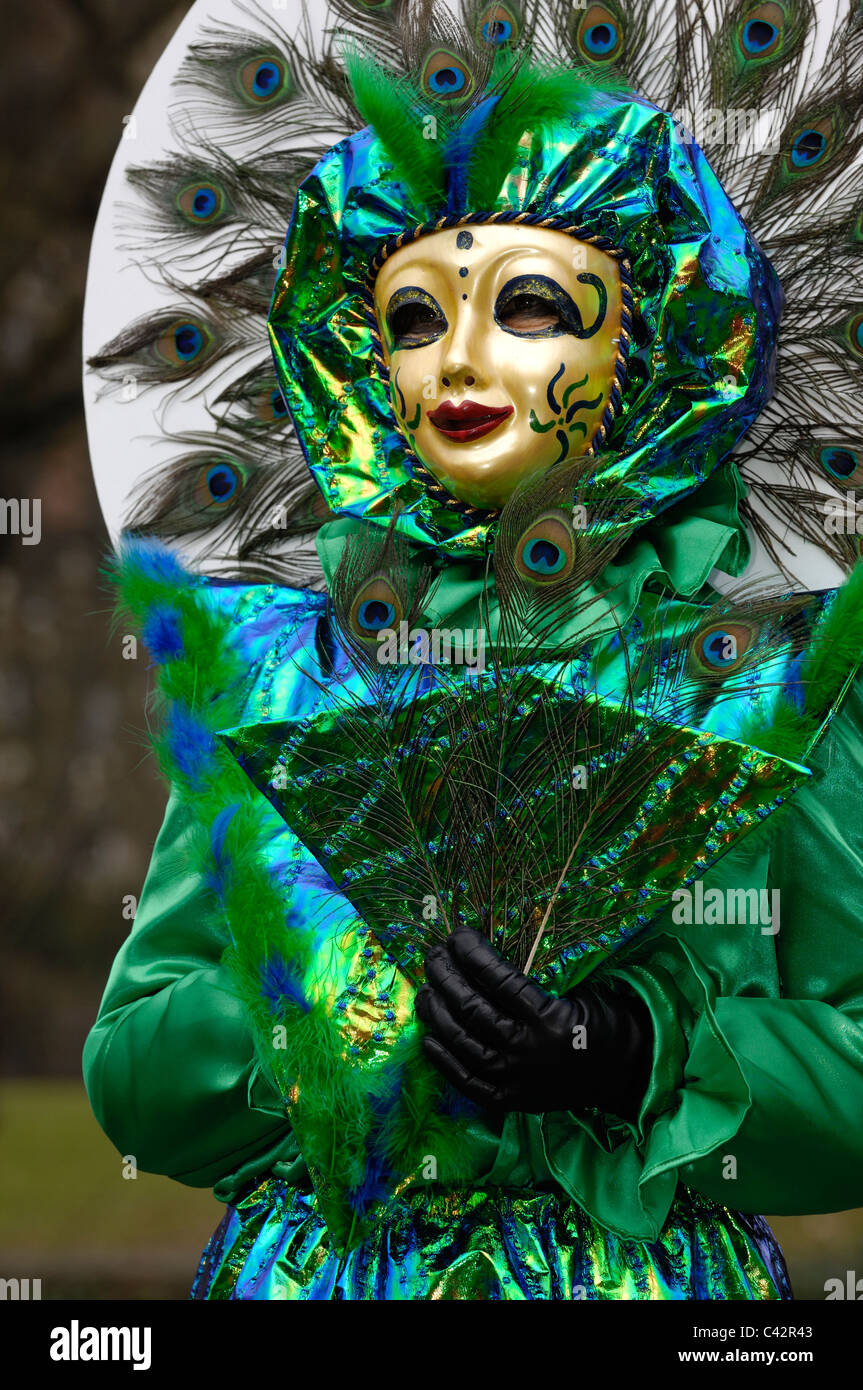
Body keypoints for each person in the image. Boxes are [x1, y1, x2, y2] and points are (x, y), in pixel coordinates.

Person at [84, 30, 863, 1301]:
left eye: (531, 307)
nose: (455, 361)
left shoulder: (765, 686)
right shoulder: (281, 673)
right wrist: (322, 1006)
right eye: (409, 317)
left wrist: (627, 1055)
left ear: (652, 341)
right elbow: (132, 1074)